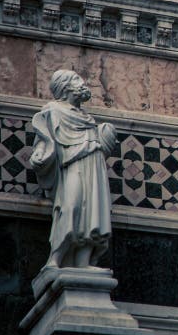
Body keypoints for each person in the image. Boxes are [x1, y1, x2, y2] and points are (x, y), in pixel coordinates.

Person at [30, 70, 117, 269]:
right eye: (77, 79)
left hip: (94, 164)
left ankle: (83, 262)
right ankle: (55, 258)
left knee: (92, 213)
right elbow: (45, 139)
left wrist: (106, 134)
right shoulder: (53, 110)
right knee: (71, 207)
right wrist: (39, 154)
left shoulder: (87, 117)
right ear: (65, 86)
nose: (83, 83)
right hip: (72, 166)